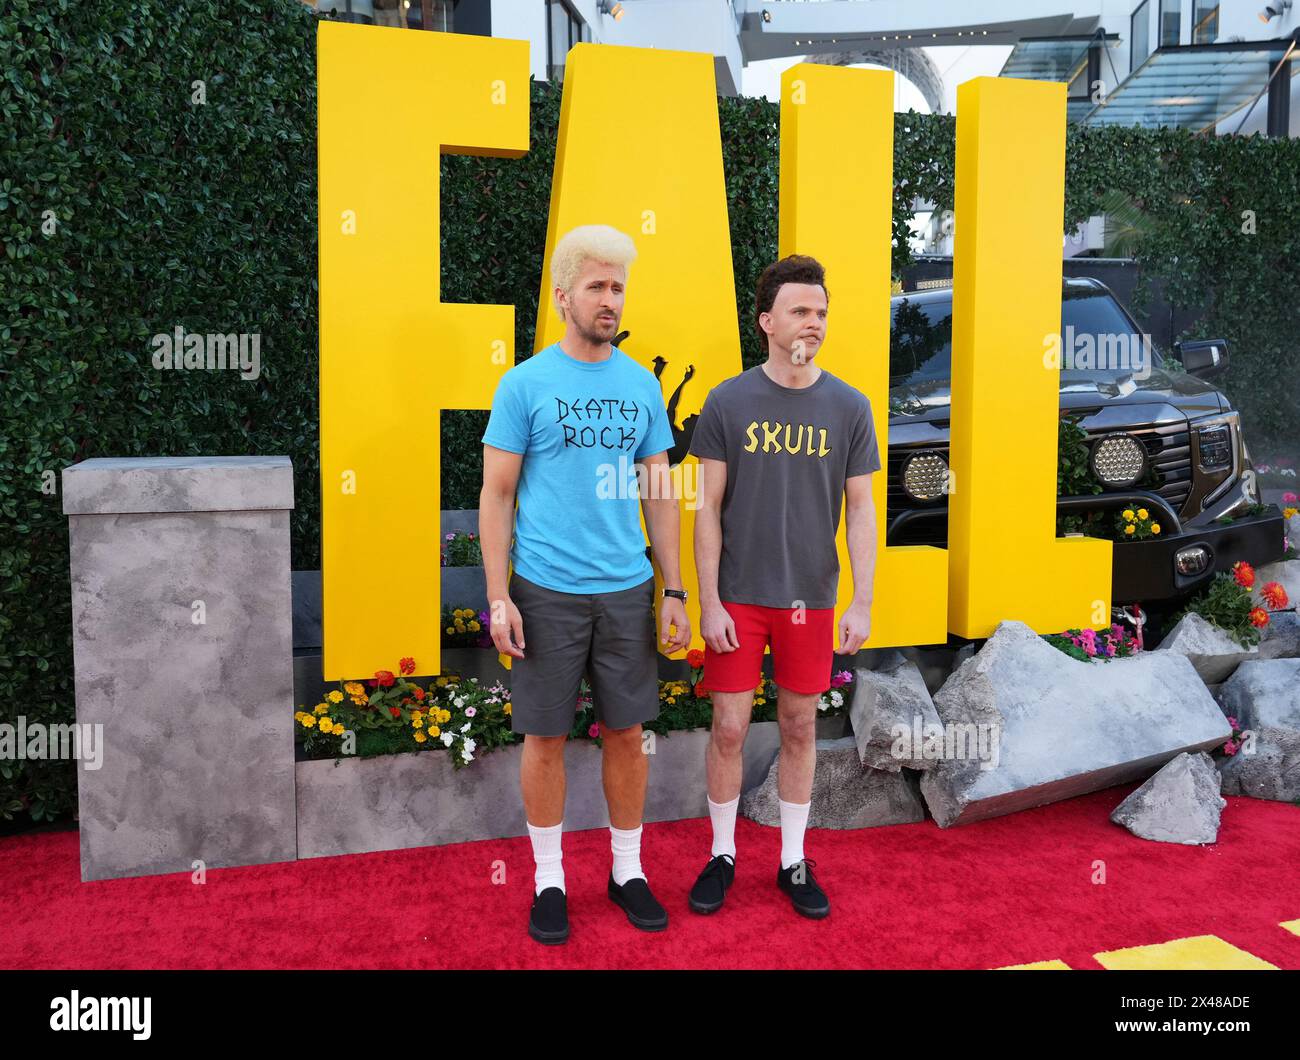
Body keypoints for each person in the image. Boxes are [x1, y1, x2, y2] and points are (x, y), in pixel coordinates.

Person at [479, 224, 692, 945]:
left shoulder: (638, 384)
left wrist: (674, 589)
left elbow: (659, 491)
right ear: (564, 293)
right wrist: (498, 594)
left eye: (619, 287)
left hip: (628, 589)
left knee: (628, 734)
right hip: (544, 590)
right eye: (598, 286)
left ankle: (625, 871)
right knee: (544, 737)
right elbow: (497, 494)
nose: (611, 299)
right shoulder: (525, 384)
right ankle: (548, 880)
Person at [687, 254, 880, 919]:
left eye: (822, 312)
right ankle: (721, 855)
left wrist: (862, 597)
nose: (814, 322)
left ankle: (793, 860)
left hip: (812, 600)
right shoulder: (728, 402)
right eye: (801, 310)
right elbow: (705, 508)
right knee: (731, 727)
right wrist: (708, 600)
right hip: (739, 596)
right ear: (767, 321)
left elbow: (860, 509)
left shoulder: (850, 407)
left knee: (799, 726)